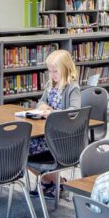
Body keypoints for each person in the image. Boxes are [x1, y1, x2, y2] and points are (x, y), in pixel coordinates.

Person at [30, 48, 82, 196]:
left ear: (66, 69)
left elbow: (74, 111)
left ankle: (56, 181)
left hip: (63, 137)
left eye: (55, 71)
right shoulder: (50, 86)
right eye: (50, 71)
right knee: (21, 149)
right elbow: (40, 102)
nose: (52, 75)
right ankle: (51, 181)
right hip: (48, 132)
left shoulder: (72, 88)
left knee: (26, 152)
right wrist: (42, 106)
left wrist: (53, 113)